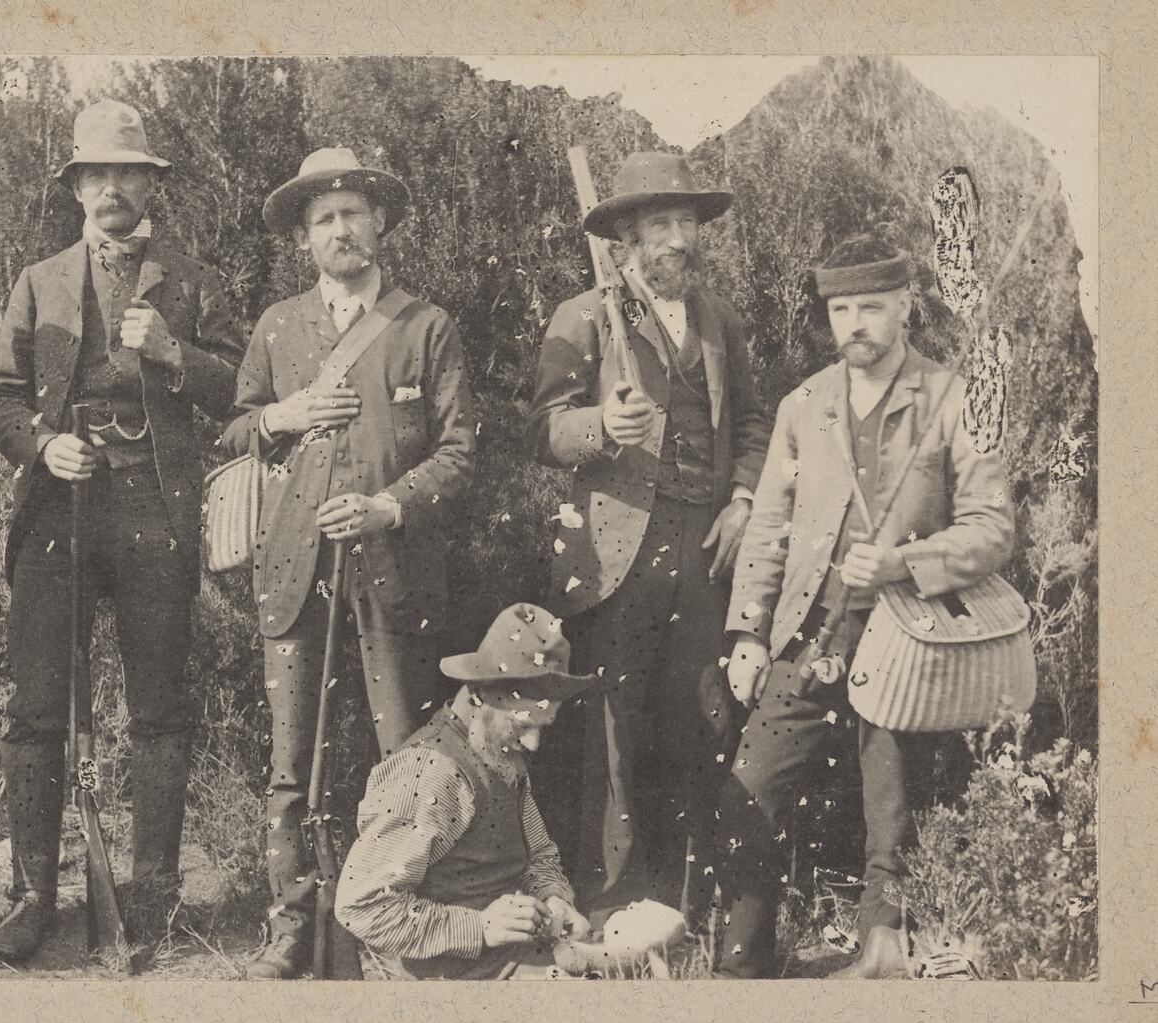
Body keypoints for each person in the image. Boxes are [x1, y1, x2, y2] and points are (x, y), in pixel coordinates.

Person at [0, 101, 245, 959]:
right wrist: (43, 444)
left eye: (126, 173)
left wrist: (174, 351)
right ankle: (31, 898)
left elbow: (241, 389)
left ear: (150, 184)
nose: (110, 190)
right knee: (36, 710)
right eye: (95, 175)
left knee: (160, 710)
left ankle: (154, 897)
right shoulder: (38, 280)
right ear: (76, 189)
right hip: (59, 509)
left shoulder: (191, 281)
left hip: (154, 513)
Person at [717, 234, 1015, 978]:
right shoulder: (803, 405)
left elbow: (993, 528)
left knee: (895, 812)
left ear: (907, 307)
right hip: (806, 634)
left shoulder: (953, 400)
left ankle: (882, 964)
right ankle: (738, 963)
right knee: (746, 793)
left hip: (908, 640)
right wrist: (750, 632)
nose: (855, 324)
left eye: (872, 307)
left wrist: (906, 563)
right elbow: (769, 528)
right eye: (841, 308)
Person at [223, 148, 475, 979]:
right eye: (323, 218)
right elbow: (233, 433)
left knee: (403, 756)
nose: (341, 229)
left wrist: (385, 506)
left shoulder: (425, 326)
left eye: (353, 213)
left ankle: (403, 929)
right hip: (293, 574)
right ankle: (292, 924)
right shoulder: (276, 327)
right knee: (291, 765)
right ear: (305, 237)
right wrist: (284, 414)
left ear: (380, 223)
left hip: (392, 576)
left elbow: (460, 452)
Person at [527, 152, 770, 925]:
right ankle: (612, 904)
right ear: (626, 239)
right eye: (659, 224)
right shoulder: (585, 316)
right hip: (616, 553)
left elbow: (757, 423)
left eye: (686, 222)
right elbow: (543, 428)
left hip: (705, 548)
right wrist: (602, 426)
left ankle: (689, 900)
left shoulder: (720, 319)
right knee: (612, 731)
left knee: (700, 717)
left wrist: (742, 497)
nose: (676, 239)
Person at [336, 603, 596, 979]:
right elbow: (362, 905)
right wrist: (481, 928)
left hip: (513, 958)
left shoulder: (501, 752)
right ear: (479, 695)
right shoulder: (431, 774)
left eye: (544, 725)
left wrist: (554, 899)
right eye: (523, 725)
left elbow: (538, 853)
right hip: (453, 980)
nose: (536, 744)